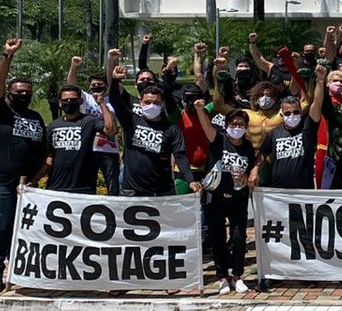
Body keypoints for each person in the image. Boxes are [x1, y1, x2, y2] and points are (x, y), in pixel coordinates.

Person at [0, 38, 48, 295]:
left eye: (27, 91)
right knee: (0, 225)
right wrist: (7, 56)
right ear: (9, 93)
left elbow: (46, 154)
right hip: (0, 181)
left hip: (28, 185)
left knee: (24, 229)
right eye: (18, 91)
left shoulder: (35, 117)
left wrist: (36, 178)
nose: (23, 94)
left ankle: (21, 270)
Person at [107, 49, 200, 197]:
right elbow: (115, 100)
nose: (151, 105)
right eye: (147, 102)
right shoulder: (131, 120)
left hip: (161, 192)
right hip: (132, 191)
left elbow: (180, 156)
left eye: (156, 103)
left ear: (162, 104)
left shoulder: (171, 129)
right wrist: (115, 80)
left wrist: (191, 180)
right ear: (141, 103)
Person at [193, 103, 255, 294]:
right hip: (215, 197)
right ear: (227, 125)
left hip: (238, 197)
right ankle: (222, 277)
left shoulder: (247, 147)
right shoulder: (218, 140)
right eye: (234, 124)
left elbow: (251, 168)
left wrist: (245, 177)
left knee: (238, 237)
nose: (237, 127)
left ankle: (237, 275)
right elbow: (207, 127)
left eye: (241, 124)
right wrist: (200, 110)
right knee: (217, 237)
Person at [254, 70, 326, 191]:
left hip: (304, 191)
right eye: (287, 113)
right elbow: (262, 154)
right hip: (278, 191)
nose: (292, 115)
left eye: (296, 112)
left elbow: (317, 103)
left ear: (300, 112)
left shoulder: (308, 128)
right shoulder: (274, 133)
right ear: (282, 114)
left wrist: (320, 80)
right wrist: (255, 170)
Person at [44, 84, 116, 194]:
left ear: (80, 101)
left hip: (83, 189)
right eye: (65, 100)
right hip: (56, 188)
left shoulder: (90, 121)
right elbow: (49, 159)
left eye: (73, 100)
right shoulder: (53, 126)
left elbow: (110, 130)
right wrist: (34, 180)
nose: (69, 102)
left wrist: (101, 103)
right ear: (60, 103)